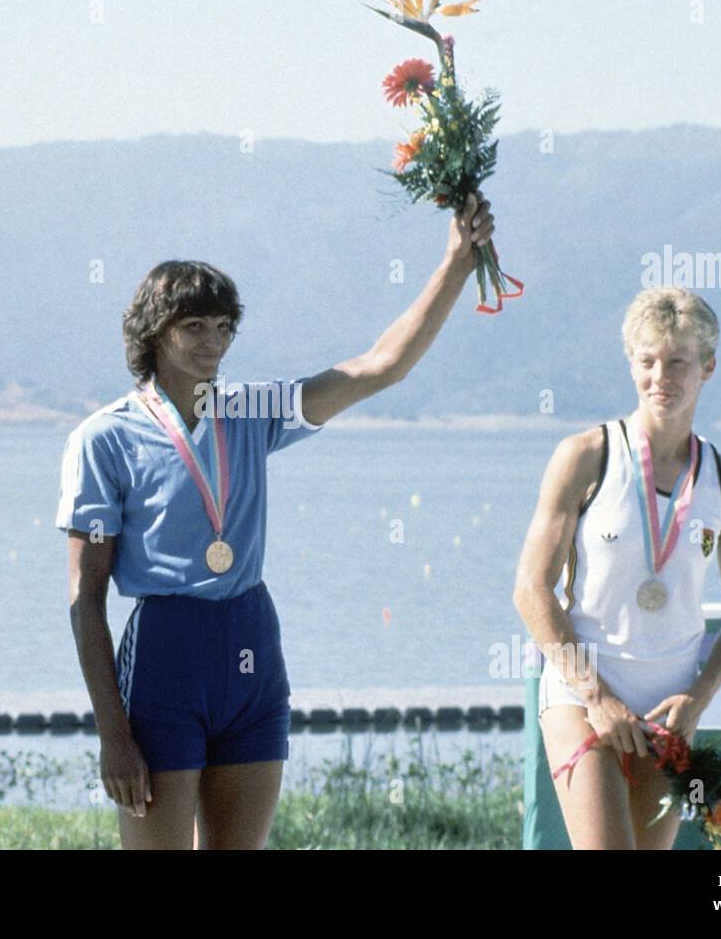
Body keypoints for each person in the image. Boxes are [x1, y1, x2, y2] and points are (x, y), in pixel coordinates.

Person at [57, 195, 496, 849]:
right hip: (164, 655)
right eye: (195, 326)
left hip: (252, 645)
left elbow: (381, 365)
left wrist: (457, 263)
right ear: (154, 331)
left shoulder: (253, 408)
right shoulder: (104, 439)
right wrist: (113, 734)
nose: (214, 343)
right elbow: (84, 600)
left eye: (224, 327)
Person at [513, 287, 721, 849]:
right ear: (631, 363)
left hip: (668, 708)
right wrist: (597, 696)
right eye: (647, 361)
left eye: (678, 362)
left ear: (708, 367)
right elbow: (531, 590)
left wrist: (698, 696)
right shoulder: (585, 457)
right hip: (584, 691)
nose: (660, 377)